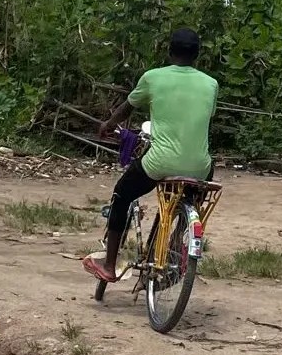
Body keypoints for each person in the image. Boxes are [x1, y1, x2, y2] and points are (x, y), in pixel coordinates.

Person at [86, 28, 218, 280]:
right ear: (197, 55)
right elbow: (206, 116)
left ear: (169, 51)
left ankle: (110, 265)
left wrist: (108, 125)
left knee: (122, 194)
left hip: (160, 162)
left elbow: (127, 107)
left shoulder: (153, 77)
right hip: (199, 166)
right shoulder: (211, 84)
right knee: (194, 190)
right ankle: (177, 239)